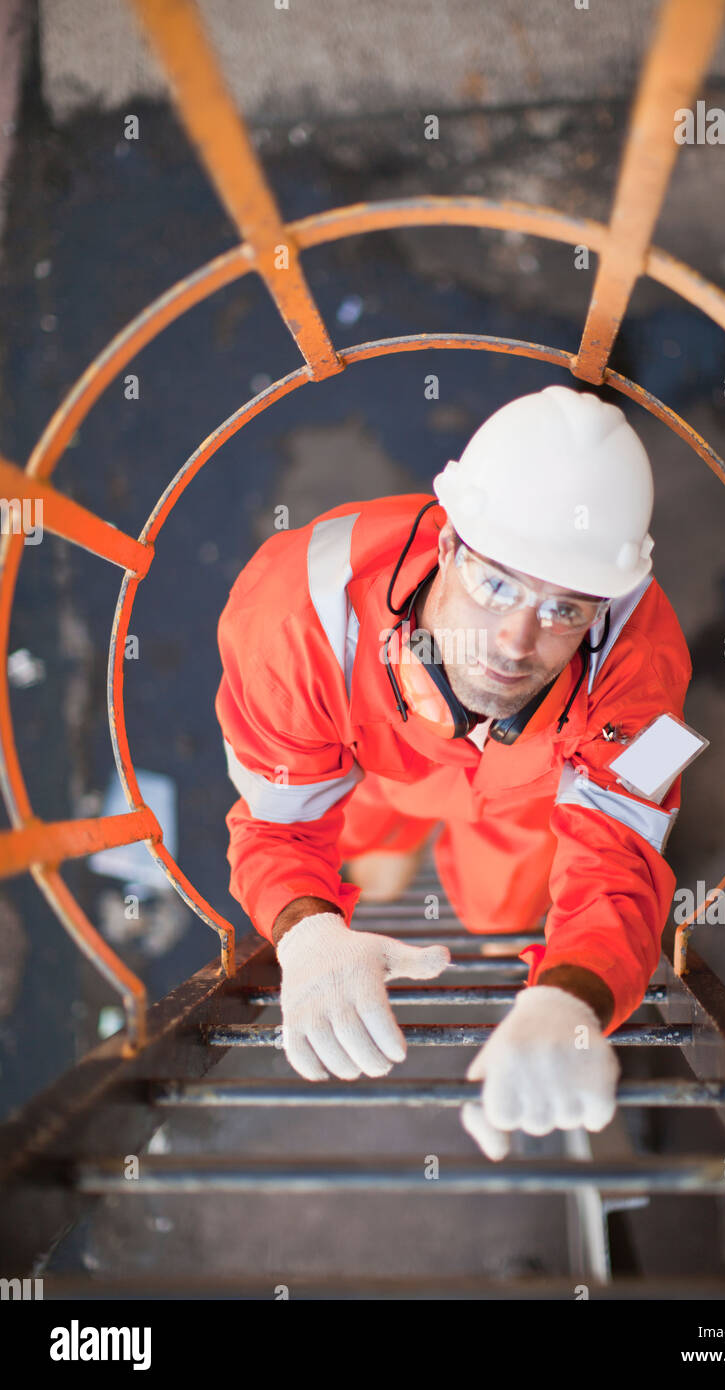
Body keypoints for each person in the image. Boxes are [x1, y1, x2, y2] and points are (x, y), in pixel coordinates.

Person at [214, 385, 694, 1160]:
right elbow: (280, 820)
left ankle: (436, 872)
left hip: (526, 792)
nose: (515, 642)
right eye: (496, 583)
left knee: (497, 908)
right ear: (446, 547)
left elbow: (621, 855)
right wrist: (306, 928)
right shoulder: (290, 621)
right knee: (363, 852)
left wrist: (571, 995)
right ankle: (391, 851)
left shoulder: (648, 671)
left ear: (603, 606)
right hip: (359, 760)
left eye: (564, 609)